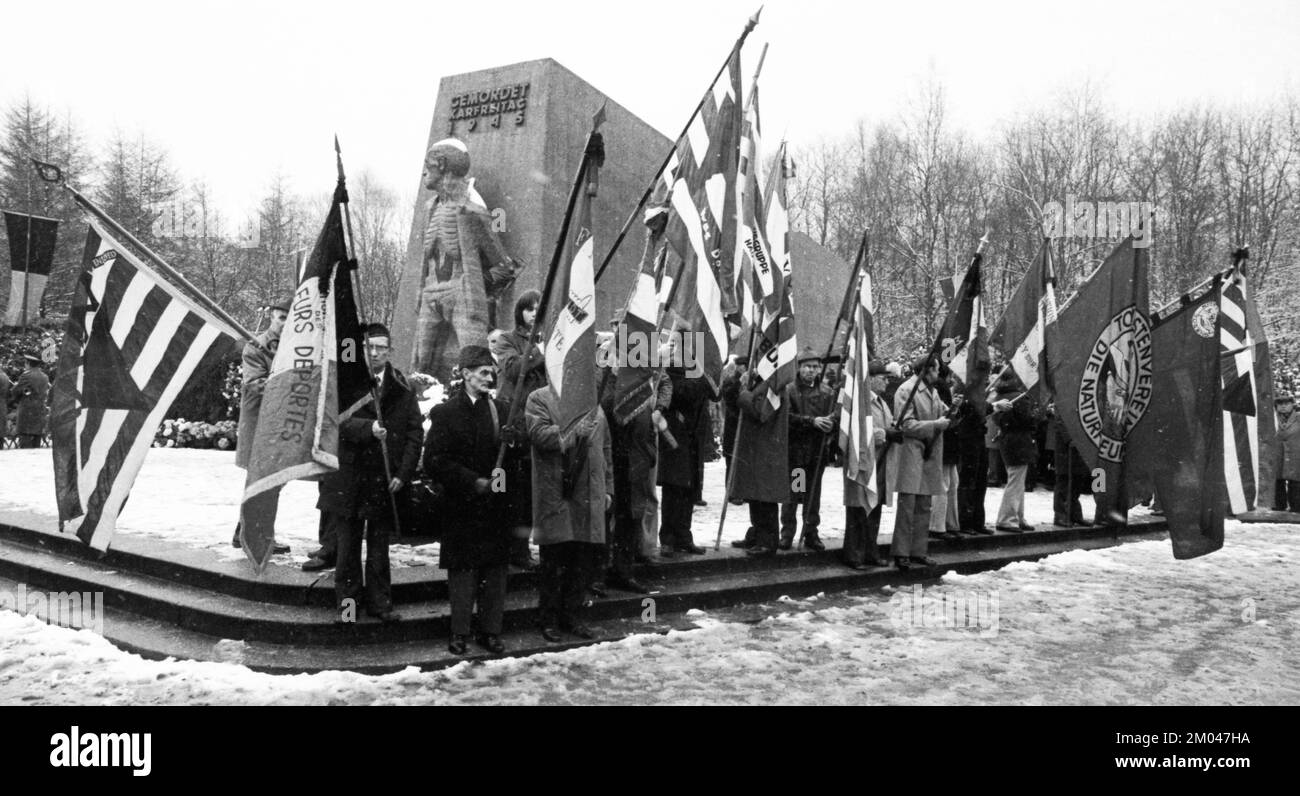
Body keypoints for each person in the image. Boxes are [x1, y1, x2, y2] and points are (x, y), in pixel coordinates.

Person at [317, 323, 422, 623]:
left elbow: (415, 432)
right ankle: (348, 608)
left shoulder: (401, 386)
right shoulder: (346, 383)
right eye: (369, 347)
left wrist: (403, 473)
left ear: (390, 351)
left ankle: (380, 605)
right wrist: (368, 429)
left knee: (379, 548)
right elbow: (330, 423)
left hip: (384, 478)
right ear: (362, 349)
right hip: (349, 477)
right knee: (347, 549)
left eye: (381, 348)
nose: (375, 353)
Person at [423, 345, 513, 655]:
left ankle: (490, 631)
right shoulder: (446, 413)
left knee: (495, 572)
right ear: (465, 375)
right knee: (463, 572)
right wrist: (471, 481)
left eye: (493, 372)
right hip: (461, 505)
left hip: (495, 506)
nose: (490, 378)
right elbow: (434, 460)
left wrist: (511, 451)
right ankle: (459, 632)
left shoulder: (502, 411)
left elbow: (513, 462)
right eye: (483, 372)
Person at [412, 138, 525, 382]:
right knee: (421, 363)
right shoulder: (429, 208)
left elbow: (504, 265)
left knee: (474, 363)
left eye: (428, 164)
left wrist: (476, 285)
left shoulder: (472, 212)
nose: (423, 172)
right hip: (431, 294)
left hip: (462, 293)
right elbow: (425, 259)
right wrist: (420, 291)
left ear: (442, 165)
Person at [526, 390, 613, 642]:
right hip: (557, 493)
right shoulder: (539, 399)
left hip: (590, 494)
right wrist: (574, 430)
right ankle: (549, 619)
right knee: (554, 560)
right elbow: (539, 435)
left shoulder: (593, 402)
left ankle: (573, 616)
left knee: (582, 560)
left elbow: (605, 448)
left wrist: (608, 488)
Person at [234, 303, 291, 555]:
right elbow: (255, 384)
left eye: (289, 319)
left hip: (282, 422)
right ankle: (254, 535)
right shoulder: (256, 346)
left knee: (275, 481)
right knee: (262, 479)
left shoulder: (296, 344)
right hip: (260, 422)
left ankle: (249, 532)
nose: (283, 323)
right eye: (280, 317)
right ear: (271, 317)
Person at [497, 289, 545, 571]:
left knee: (533, 491)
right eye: (529, 309)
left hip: (541, 420)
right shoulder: (507, 340)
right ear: (520, 312)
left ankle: (524, 546)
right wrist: (542, 351)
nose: (534, 314)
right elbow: (515, 368)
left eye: (539, 309)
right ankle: (514, 548)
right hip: (516, 422)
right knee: (515, 491)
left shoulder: (548, 338)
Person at [887, 356, 950, 570]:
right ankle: (902, 552)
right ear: (927, 370)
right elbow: (906, 425)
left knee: (924, 504)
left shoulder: (932, 391)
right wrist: (936, 424)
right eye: (936, 369)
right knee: (908, 504)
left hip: (928, 453)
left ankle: (918, 551)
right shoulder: (907, 390)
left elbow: (943, 413)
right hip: (911, 452)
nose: (938, 373)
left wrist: (953, 410)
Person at [843, 360, 899, 569]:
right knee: (858, 509)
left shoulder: (881, 402)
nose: (886, 382)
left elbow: (886, 424)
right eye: (883, 378)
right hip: (862, 464)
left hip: (879, 462)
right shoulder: (860, 403)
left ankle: (870, 551)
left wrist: (893, 430)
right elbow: (860, 431)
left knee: (873, 508)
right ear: (871, 379)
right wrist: (885, 433)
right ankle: (854, 555)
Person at [656, 351, 713, 556]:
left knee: (689, 491)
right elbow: (683, 394)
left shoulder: (694, 371)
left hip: (693, 438)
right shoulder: (669, 372)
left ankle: (683, 535)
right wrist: (699, 376)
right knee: (674, 489)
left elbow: (714, 393)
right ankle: (668, 539)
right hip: (674, 437)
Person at [733, 368, 794, 557]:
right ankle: (757, 534)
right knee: (755, 494)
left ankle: (767, 541)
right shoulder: (764, 382)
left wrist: (744, 395)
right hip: (758, 449)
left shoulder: (775, 385)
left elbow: (762, 412)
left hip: (767, 451)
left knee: (765, 497)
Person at [781, 347, 835, 551]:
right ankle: (787, 533)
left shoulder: (827, 392)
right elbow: (786, 418)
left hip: (817, 453)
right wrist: (811, 421)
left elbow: (834, 417)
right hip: (797, 454)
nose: (811, 371)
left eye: (814, 367)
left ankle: (811, 533)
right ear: (799, 368)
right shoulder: (789, 390)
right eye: (807, 367)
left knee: (813, 495)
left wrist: (831, 424)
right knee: (795, 493)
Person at [990, 370, 1037, 532]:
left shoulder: (998, 396)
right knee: (1016, 482)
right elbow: (1027, 420)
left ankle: (1017, 516)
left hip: (1006, 439)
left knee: (1017, 481)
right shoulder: (1020, 397)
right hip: (1020, 441)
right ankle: (1007, 518)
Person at [928, 367, 962, 541]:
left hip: (948, 443)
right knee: (945, 484)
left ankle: (946, 523)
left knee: (950, 483)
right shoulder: (940, 386)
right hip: (946, 442)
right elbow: (944, 414)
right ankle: (939, 525)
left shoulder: (940, 386)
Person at [1050, 404, 1091, 526]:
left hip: (1078, 447)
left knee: (1077, 481)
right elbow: (1060, 421)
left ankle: (1075, 514)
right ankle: (1060, 515)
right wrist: (1070, 439)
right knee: (1064, 482)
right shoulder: (1063, 399)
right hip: (1066, 449)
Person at [13, 354, 50, 449]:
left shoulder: (26, 375)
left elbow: (16, 392)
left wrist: (15, 389)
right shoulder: (45, 377)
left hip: (26, 412)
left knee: (25, 442)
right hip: (39, 411)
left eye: (25, 363)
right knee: (36, 442)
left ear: (28, 364)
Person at [1274, 392, 1299, 512]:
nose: (1283, 406)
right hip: (1277, 454)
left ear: (1292, 405)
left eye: (1286, 403)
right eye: (1280, 403)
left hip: (1296, 455)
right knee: (1277, 481)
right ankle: (1279, 506)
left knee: (1296, 482)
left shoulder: (1298, 419)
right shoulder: (1271, 419)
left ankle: (1296, 507)